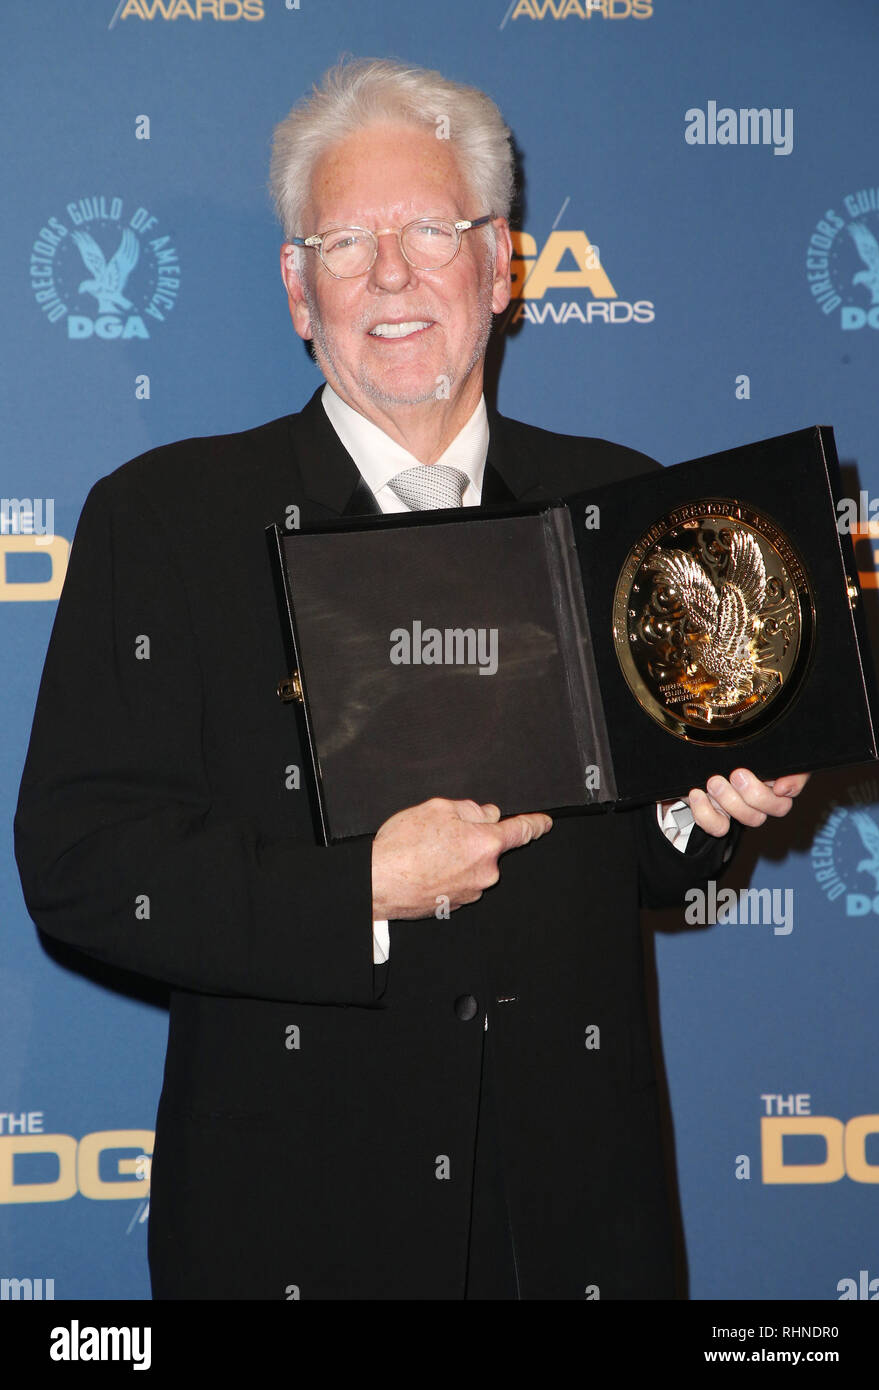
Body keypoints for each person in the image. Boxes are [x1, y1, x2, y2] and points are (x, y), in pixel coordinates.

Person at [14, 58, 808, 1300]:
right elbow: (84, 866)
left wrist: (695, 804)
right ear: (297, 288)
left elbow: (641, 854)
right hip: (289, 1239)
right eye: (344, 240)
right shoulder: (164, 522)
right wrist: (359, 893)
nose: (391, 273)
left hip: (577, 1232)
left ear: (500, 266)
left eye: (432, 232)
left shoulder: (624, 514)